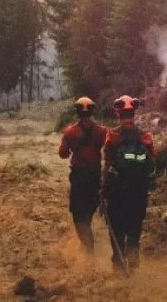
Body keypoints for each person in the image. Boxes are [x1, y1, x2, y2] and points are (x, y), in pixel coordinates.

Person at [101, 95, 156, 274]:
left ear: (118, 114)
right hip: (139, 193)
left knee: (116, 229)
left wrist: (103, 191)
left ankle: (119, 264)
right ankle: (133, 262)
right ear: (134, 114)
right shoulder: (146, 137)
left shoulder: (113, 136)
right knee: (134, 228)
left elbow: (107, 165)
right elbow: (152, 166)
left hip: (117, 192)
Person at [58, 96, 108, 253]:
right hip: (95, 176)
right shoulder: (102, 131)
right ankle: (88, 241)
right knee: (89, 210)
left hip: (79, 177)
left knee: (78, 215)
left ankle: (88, 248)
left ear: (77, 112)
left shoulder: (70, 132)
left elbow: (63, 154)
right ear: (92, 111)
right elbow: (109, 151)